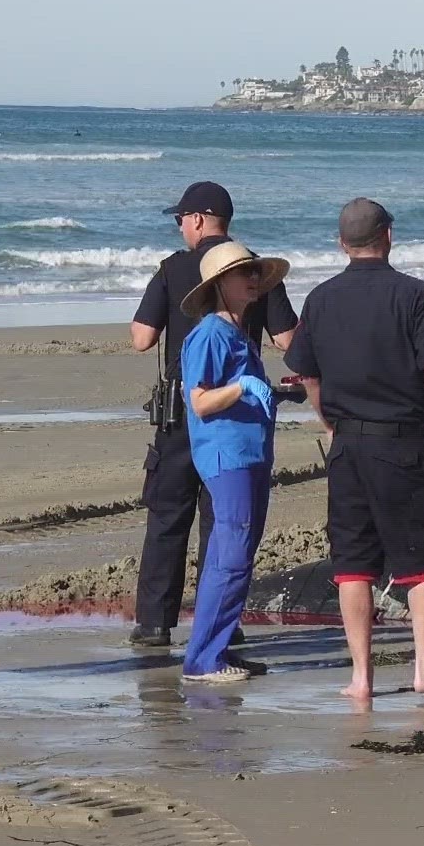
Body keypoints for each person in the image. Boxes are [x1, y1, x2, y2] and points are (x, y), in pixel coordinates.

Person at [284, 198, 424, 705]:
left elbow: (306, 372)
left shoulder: (320, 299)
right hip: (400, 438)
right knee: (422, 554)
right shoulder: (414, 293)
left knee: (353, 561)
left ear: (342, 243)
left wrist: (329, 420)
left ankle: (361, 677)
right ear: (387, 236)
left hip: (346, 442)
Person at [127, 181, 299, 649]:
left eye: (180, 219)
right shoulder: (254, 272)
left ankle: (154, 623)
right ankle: (221, 621)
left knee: (167, 517)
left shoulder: (171, 268)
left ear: (199, 219)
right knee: (221, 522)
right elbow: (288, 340)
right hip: (236, 416)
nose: (180, 227)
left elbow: (141, 337)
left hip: (182, 414)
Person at [177, 241, 290, 684]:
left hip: (251, 454)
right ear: (220, 284)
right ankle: (203, 660)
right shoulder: (208, 332)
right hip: (228, 458)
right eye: (246, 274)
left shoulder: (237, 332)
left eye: (256, 273)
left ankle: (217, 649)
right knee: (231, 557)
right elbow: (200, 401)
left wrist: (277, 391)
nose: (254, 281)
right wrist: (243, 387)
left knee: (237, 556)